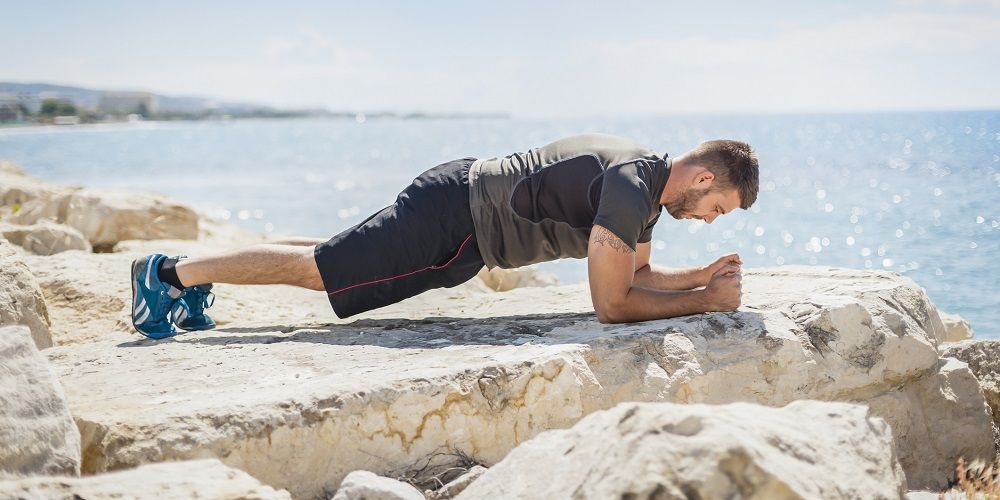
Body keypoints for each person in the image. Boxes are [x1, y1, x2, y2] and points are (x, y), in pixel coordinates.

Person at [130, 133, 759, 339]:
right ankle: (165, 278)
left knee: (333, 254)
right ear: (703, 177)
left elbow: (639, 278)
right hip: (455, 223)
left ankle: (195, 270)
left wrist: (705, 274)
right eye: (717, 207)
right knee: (322, 269)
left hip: (458, 215)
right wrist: (704, 302)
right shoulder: (630, 190)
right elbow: (612, 305)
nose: (710, 219)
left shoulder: (644, 189)